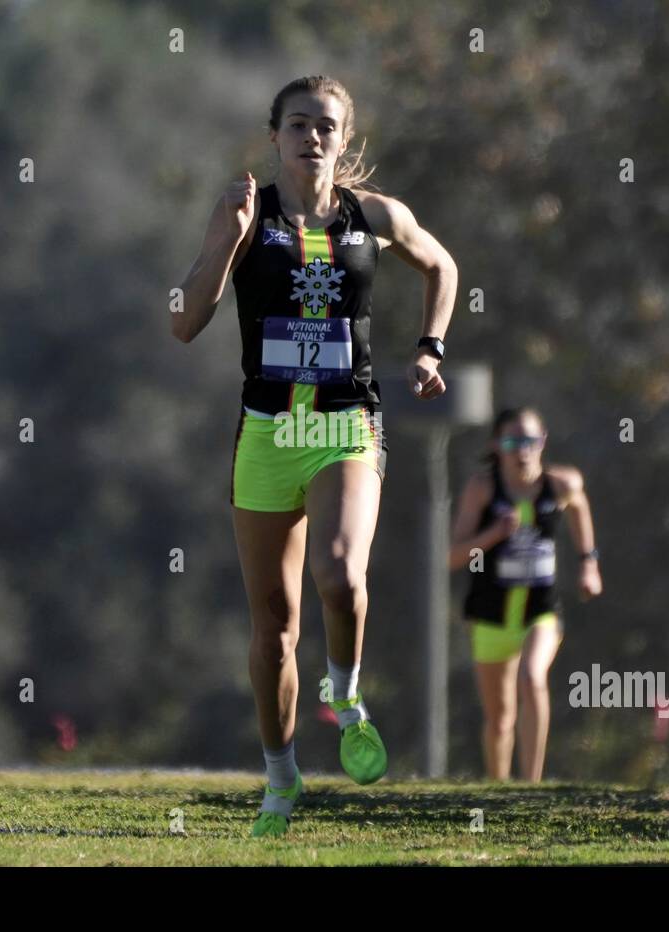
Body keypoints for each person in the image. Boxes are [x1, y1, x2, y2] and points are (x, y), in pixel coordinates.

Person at [172, 75, 458, 835]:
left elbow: (443, 266)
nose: (312, 138)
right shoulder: (246, 212)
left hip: (344, 425)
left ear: (344, 138)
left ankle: (345, 692)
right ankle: (280, 778)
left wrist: (430, 349)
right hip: (267, 431)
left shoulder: (376, 215)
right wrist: (228, 242)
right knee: (272, 630)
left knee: (341, 572)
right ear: (276, 136)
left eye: (326, 126)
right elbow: (183, 320)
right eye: (297, 125)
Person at [448, 407, 601, 781]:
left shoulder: (561, 484)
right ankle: (498, 791)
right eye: (513, 441)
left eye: (530, 441)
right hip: (490, 613)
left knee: (532, 678)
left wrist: (588, 562)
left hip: (541, 610)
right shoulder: (483, 489)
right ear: (497, 445)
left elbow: (579, 506)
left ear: (542, 442)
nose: (523, 450)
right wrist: (493, 535)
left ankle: (531, 786)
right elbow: (452, 557)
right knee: (500, 720)